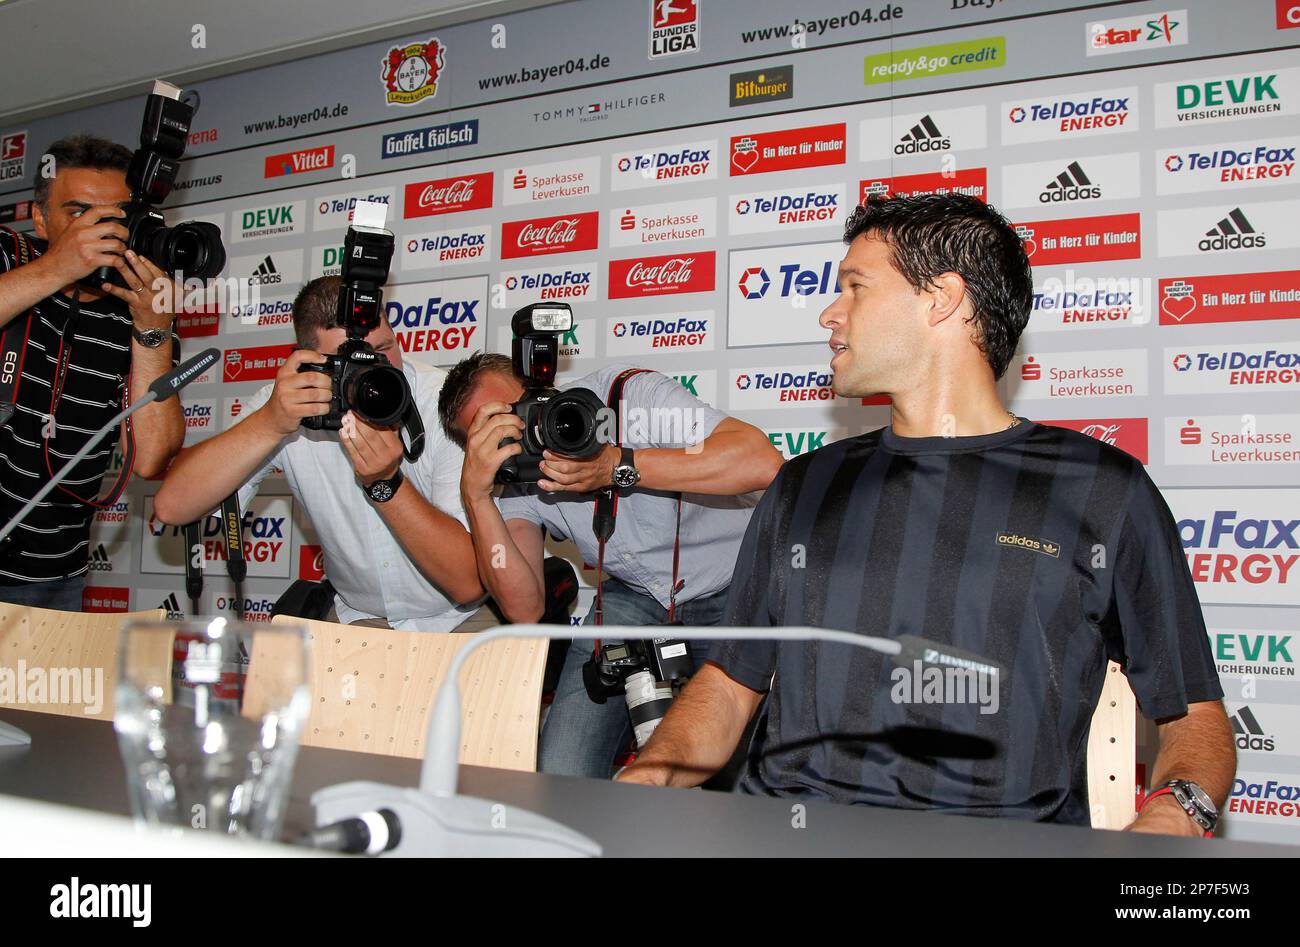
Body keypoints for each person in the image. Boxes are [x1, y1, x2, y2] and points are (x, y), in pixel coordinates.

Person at [618, 193, 1236, 836]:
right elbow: (726, 684)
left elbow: (1195, 717)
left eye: (855, 288)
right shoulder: (805, 485)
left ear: (941, 298)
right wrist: (655, 771)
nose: (830, 314)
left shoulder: (1104, 491)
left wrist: (1176, 811)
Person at [439, 352, 784, 778]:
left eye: (520, 410)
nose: (523, 431)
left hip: (736, 583)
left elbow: (763, 463)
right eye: (494, 433)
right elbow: (524, 607)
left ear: (542, 388)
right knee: (562, 768)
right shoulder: (516, 477)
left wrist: (616, 466)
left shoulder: (627, 399)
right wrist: (476, 497)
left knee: (740, 773)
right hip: (634, 597)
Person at [153, 276, 486, 631]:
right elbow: (173, 506)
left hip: (461, 617)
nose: (377, 370)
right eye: (351, 363)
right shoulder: (285, 406)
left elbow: (466, 583)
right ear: (310, 362)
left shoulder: (442, 401)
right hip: (362, 617)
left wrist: (386, 483)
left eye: (384, 348)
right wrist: (269, 424)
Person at [0, 135, 183, 610]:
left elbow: (151, 457)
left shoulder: (141, 307)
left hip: (52, 576)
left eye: (116, 217)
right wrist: (56, 268)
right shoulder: (9, 256)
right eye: (79, 213)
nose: (100, 231)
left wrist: (152, 334)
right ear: (40, 219)